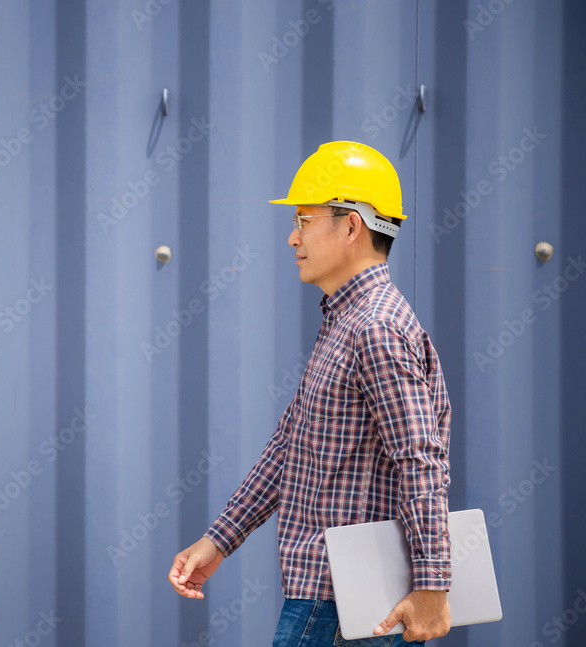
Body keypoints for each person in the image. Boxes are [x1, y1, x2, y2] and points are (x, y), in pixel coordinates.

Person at [168, 141, 452, 646]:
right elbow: (289, 447)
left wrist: (432, 584)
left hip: (343, 608)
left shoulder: (375, 328)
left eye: (303, 220)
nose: (292, 237)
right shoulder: (346, 322)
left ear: (351, 226)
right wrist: (219, 540)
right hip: (327, 598)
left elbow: (420, 459)